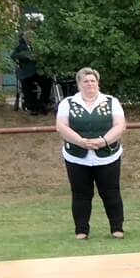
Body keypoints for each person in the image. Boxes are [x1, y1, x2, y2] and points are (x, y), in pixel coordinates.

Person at [55, 66, 126, 239]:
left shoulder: (111, 101)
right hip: (76, 157)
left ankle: (117, 229)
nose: (89, 84)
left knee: (111, 193)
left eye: (93, 81)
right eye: (85, 81)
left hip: (108, 156)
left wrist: (104, 141)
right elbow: (61, 126)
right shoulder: (67, 103)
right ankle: (81, 231)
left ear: (98, 83)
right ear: (79, 84)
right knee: (80, 194)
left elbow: (120, 125)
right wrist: (80, 141)